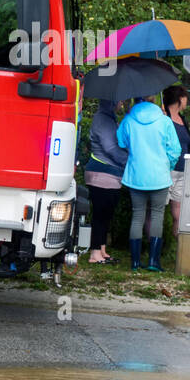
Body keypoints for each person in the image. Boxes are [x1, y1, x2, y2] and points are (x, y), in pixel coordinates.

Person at [116, 95, 182, 271]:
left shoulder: (129, 119)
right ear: (154, 101)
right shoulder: (164, 120)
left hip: (136, 175)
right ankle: (154, 261)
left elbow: (121, 141)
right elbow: (175, 149)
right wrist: (167, 164)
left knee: (137, 216)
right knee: (157, 216)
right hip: (159, 176)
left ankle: (135, 262)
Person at [83, 99, 128, 264]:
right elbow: (110, 148)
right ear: (111, 100)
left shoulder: (108, 117)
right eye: (120, 100)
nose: (122, 103)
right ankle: (95, 252)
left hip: (108, 174)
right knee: (100, 215)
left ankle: (101, 249)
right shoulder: (103, 119)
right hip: (102, 174)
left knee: (106, 214)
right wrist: (128, 160)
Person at [162, 84, 190, 235]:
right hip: (167, 170)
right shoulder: (164, 118)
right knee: (159, 209)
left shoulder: (182, 119)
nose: (187, 101)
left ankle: (177, 246)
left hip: (182, 171)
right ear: (180, 99)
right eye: (185, 98)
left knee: (178, 212)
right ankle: (156, 244)